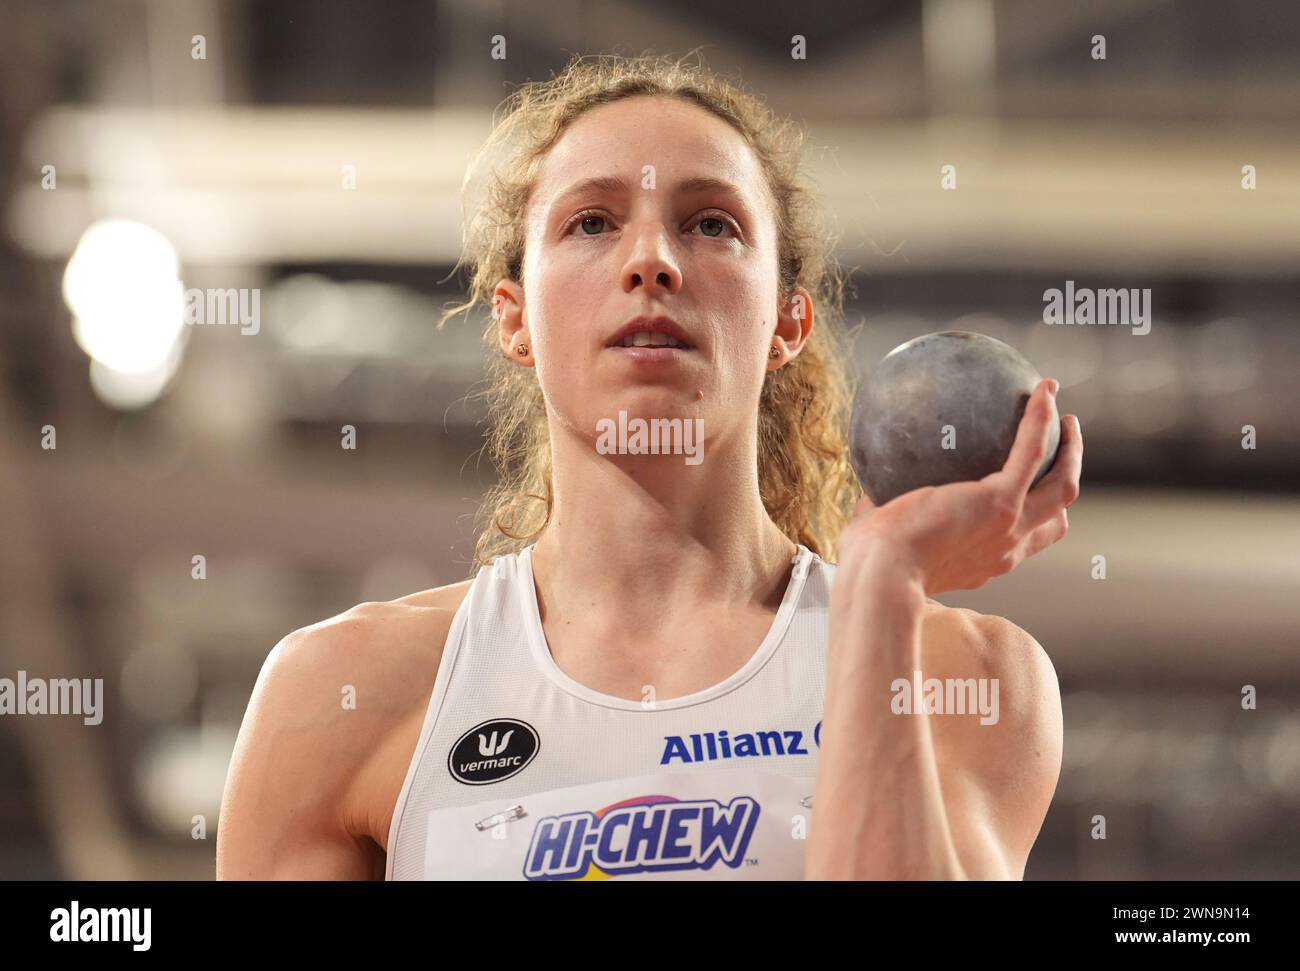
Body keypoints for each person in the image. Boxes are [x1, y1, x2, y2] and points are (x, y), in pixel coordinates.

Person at [216, 52, 1082, 881]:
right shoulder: (340, 695)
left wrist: (883, 586)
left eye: (712, 223)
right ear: (513, 319)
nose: (652, 261)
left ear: (789, 323)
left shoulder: (957, 674)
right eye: (591, 222)